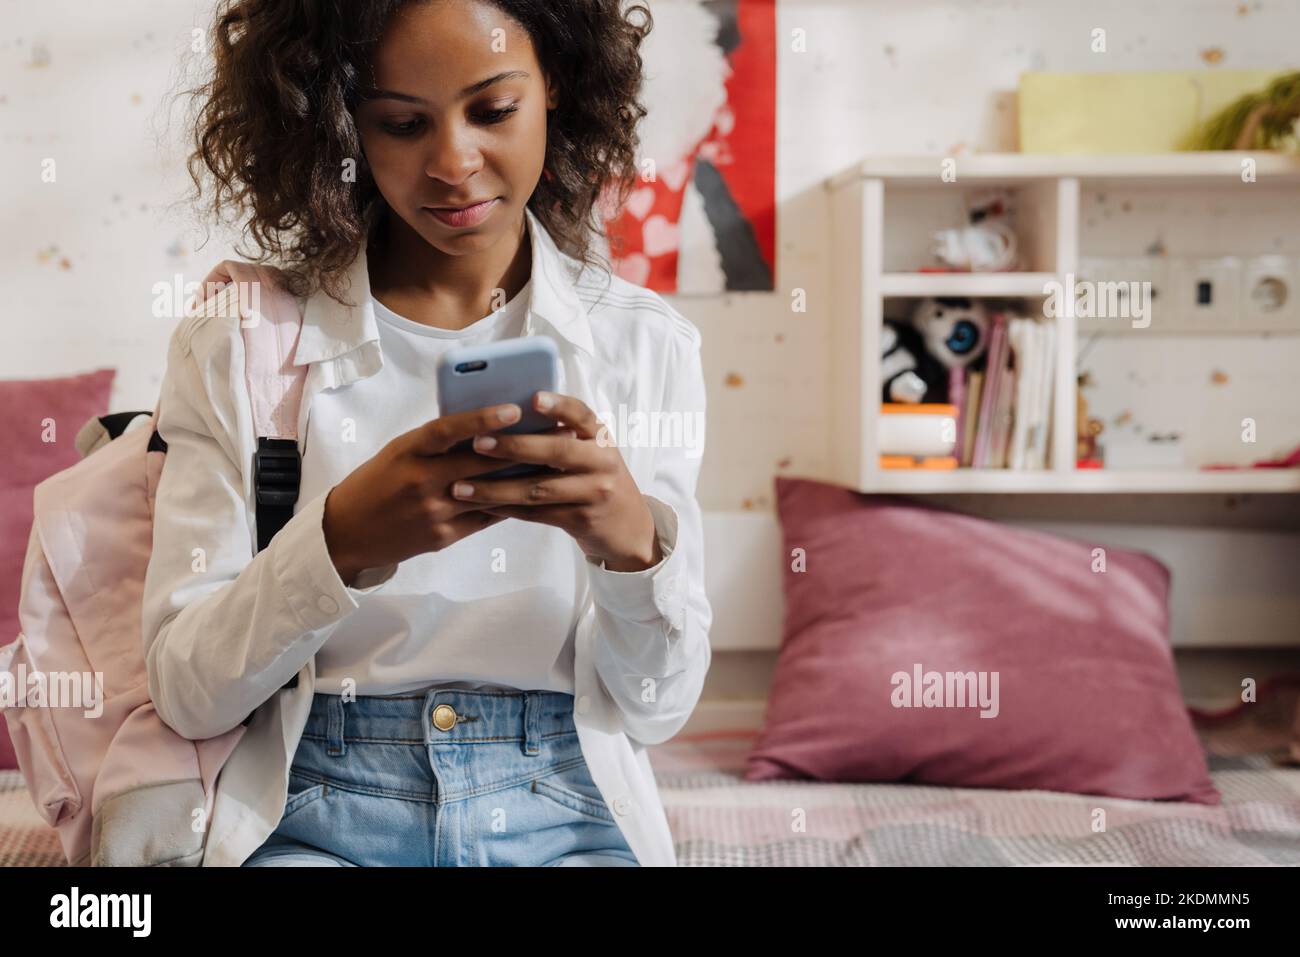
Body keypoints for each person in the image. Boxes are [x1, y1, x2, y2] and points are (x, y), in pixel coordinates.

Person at [141, 0, 711, 867]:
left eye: (492, 110)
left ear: (556, 83)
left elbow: (657, 711)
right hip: (315, 809)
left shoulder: (644, 345)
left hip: (564, 805)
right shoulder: (240, 340)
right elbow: (185, 693)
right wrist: (337, 545)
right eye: (403, 123)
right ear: (344, 121)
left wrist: (635, 551)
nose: (453, 163)